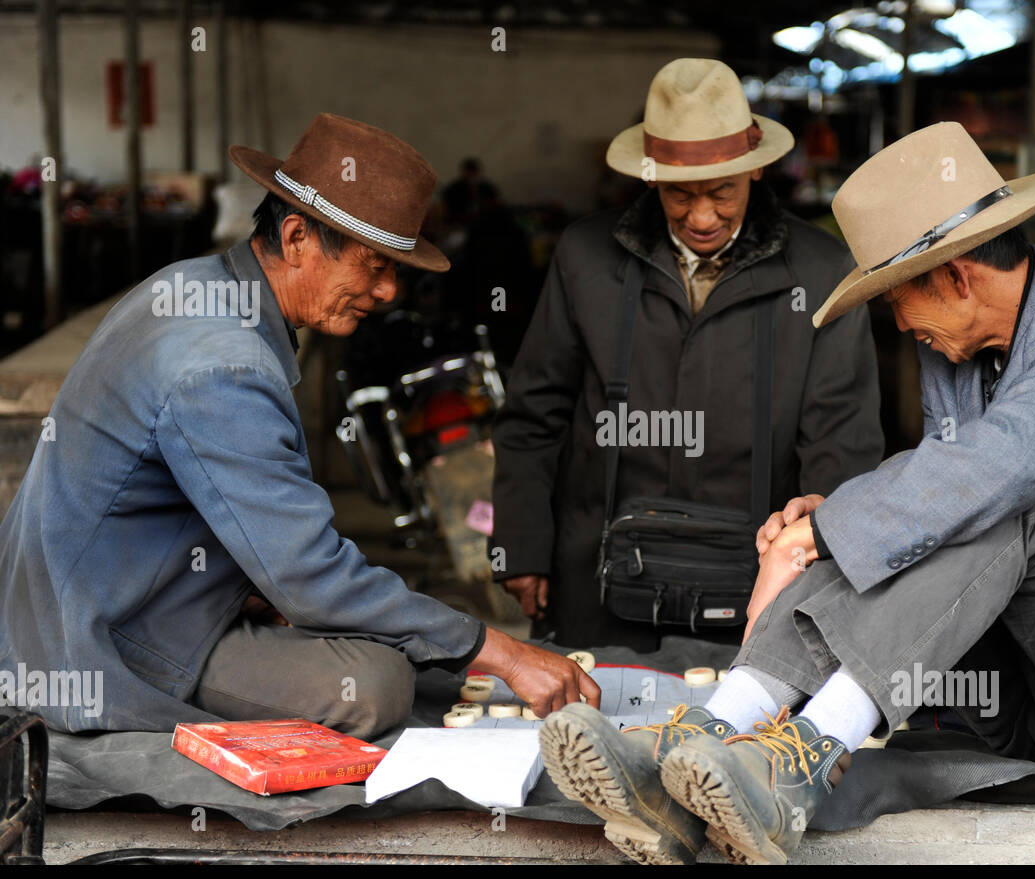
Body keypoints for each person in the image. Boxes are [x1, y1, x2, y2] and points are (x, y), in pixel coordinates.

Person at [539, 121, 1035, 865]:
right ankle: (707, 740)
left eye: (895, 302)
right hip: (1023, 700)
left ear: (955, 277)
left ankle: (803, 762)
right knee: (886, 515)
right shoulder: (962, 348)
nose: (901, 327)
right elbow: (938, 485)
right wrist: (830, 522)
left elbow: (998, 467)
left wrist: (828, 531)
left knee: (1004, 502)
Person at [0, 113, 598, 740]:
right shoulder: (222, 367)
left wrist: (259, 590)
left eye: (397, 270)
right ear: (295, 239)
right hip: (94, 640)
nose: (389, 290)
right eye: (374, 266)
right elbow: (310, 577)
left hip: (96, 598)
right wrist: (504, 651)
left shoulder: (187, 285)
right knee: (375, 684)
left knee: (377, 638)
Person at [490, 59, 885, 650]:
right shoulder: (585, 258)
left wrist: (817, 563)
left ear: (755, 172)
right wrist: (520, 546)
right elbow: (533, 415)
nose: (702, 217)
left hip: (759, 583)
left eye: (722, 191)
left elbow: (841, 442)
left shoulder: (822, 271)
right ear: (650, 180)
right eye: (680, 194)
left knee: (736, 733)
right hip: (596, 578)